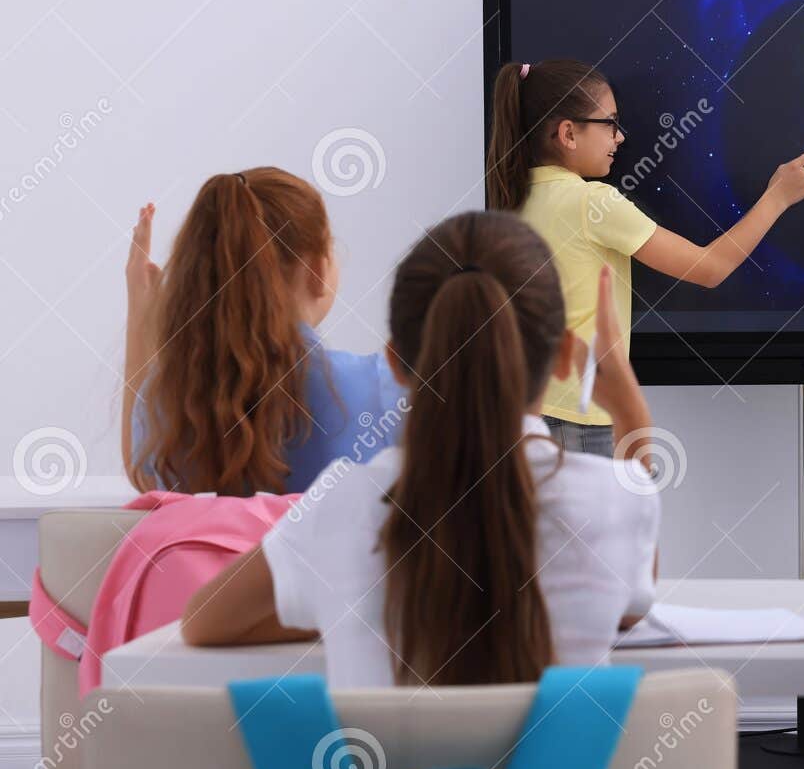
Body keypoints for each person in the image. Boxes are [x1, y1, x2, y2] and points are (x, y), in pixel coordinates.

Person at [181, 211, 659, 687]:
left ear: (394, 361)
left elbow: (204, 622)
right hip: (558, 746)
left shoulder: (343, 500)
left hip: (377, 745)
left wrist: (344, 608)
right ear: (563, 357)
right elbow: (632, 607)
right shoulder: (615, 500)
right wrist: (631, 415)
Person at [485, 59, 804, 454]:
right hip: (578, 417)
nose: (620, 137)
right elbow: (709, 268)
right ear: (568, 133)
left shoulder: (512, 199)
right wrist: (777, 197)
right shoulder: (593, 203)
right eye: (610, 123)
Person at [123, 168, 405, 496]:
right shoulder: (381, 387)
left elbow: (147, 478)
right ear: (317, 269)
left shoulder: (166, 401)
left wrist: (141, 316)